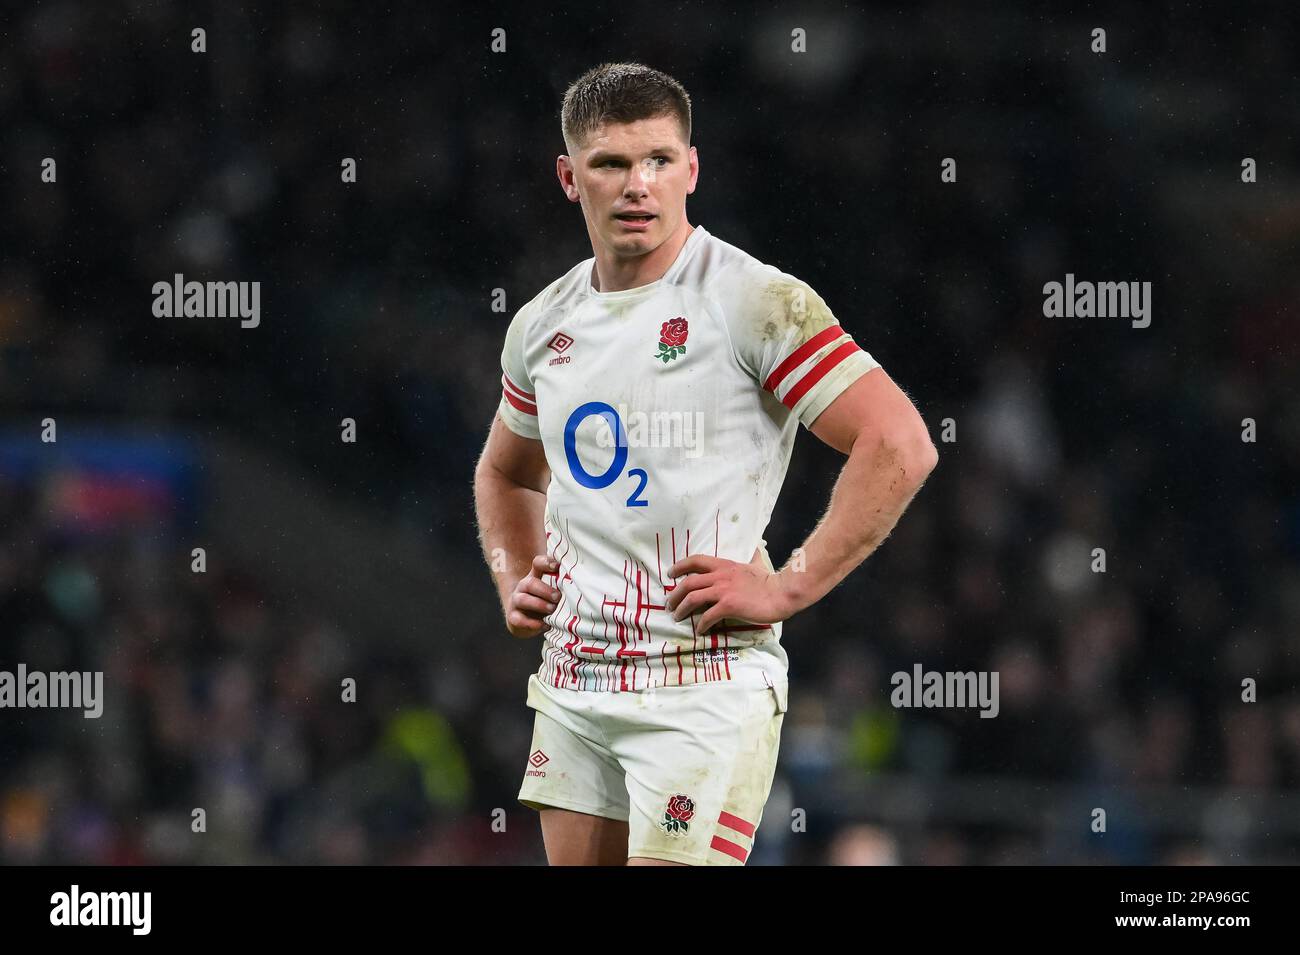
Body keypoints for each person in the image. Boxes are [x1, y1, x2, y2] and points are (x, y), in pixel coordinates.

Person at [473, 62, 937, 866]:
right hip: (574, 681)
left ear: (691, 169)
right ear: (569, 178)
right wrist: (513, 574)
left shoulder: (754, 300)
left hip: (701, 684)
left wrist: (787, 586)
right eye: (611, 163)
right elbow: (506, 472)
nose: (637, 184)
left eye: (658, 160)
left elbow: (899, 441)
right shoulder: (544, 324)